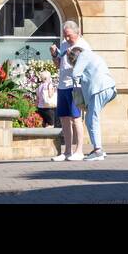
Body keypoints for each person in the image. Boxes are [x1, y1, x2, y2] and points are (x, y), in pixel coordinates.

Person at [67, 45, 117, 160]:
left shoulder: (83, 56)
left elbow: (75, 74)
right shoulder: (92, 55)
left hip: (99, 88)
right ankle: (98, 149)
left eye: (73, 62)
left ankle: (98, 151)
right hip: (109, 88)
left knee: (91, 119)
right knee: (93, 118)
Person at [49, 20, 88, 162]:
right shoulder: (65, 44)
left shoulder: (83, 46)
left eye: (69, 35)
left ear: (77, 33)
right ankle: (67, 151)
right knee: (64, 118)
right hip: (62, 85)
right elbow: (58, 65)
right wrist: (54, 55)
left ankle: (79, 151)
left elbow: (84, 67)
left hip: (75, 85)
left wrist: (73, 57)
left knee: (76, 118)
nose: (66, 38)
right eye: (64, 35)